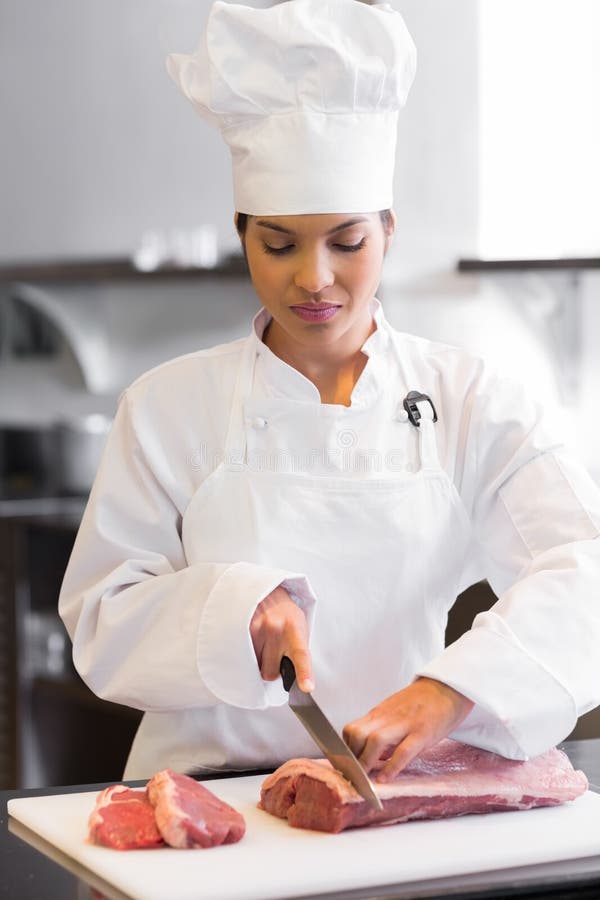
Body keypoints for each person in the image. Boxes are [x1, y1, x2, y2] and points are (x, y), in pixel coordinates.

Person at [59, 0, 600, 782]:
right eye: (279, 244)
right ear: (242, 235)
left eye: (347, 241)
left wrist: (451, 691)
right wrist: (232, 611)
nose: (314, 279)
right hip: (207, 805)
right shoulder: (168, 406)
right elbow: (103, 623)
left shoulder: (470, 399)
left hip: (386, 795)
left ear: (388, 231)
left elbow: (585, 566)